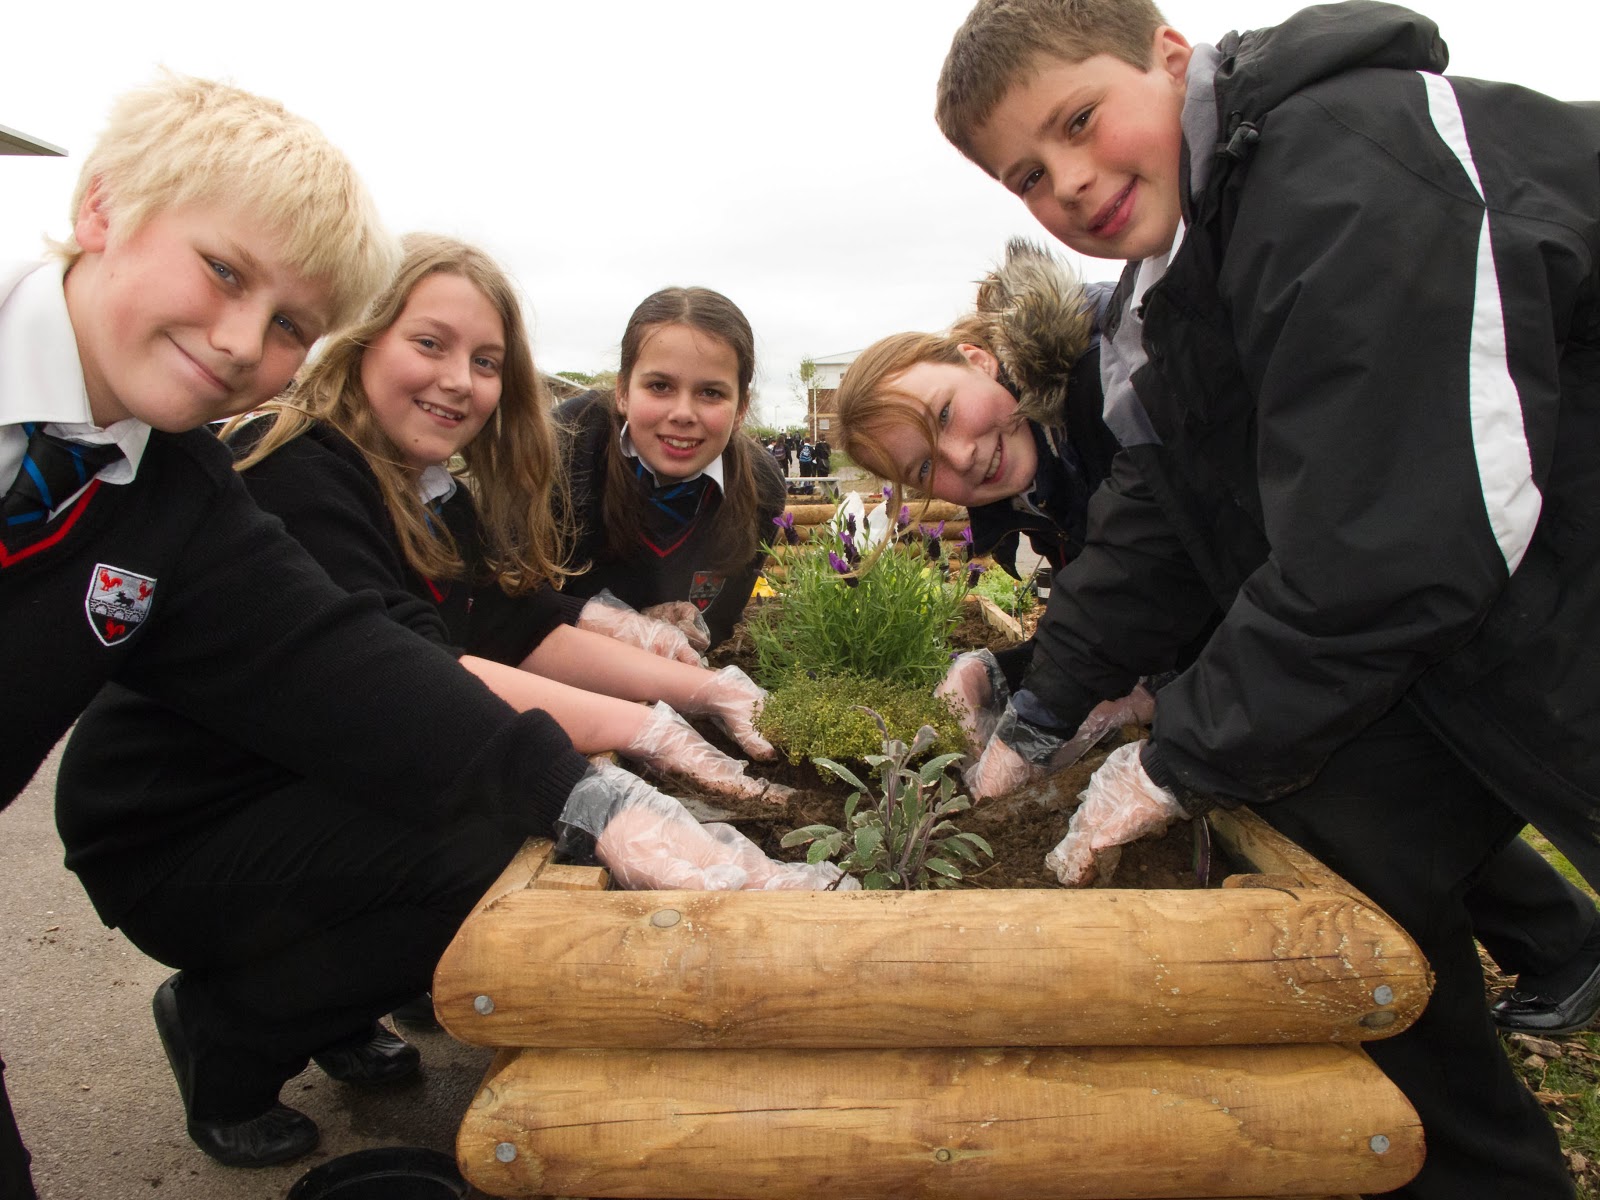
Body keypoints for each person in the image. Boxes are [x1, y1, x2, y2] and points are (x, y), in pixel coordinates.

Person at [2, 75, 833, 1188]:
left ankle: (319, 995)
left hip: (292, 791)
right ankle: (235, 1024)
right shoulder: (287, 473)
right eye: (223, 270)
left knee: (510, 806)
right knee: (480, 842)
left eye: (290, 319)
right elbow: (416, 665)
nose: (245, 338)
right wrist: (640, 741)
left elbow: (360, 666)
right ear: (100, 206)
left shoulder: (179, 487)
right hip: (185, 821)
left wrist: (613, 781)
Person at [934, 2, 1599, 1196]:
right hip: (1502, 609)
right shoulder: (1185, 269)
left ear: (1170, 55)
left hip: (1550, 592)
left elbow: (1396, 540)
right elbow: (1170, 505)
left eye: (1081, 121)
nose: (1073, 182)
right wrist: (1044, 694)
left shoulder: (1341, 159)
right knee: (1332, 835)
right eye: (1029, 175)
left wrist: (1179, 754)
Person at [556, 287, 787, 649]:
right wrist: (612, 626)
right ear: (623, 391)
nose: (682, 413)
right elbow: (504, 604)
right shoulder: (566, 446)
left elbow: (719, 623)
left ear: (741, 408)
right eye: (660, 385)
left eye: (711, 393)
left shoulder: (761, 487)